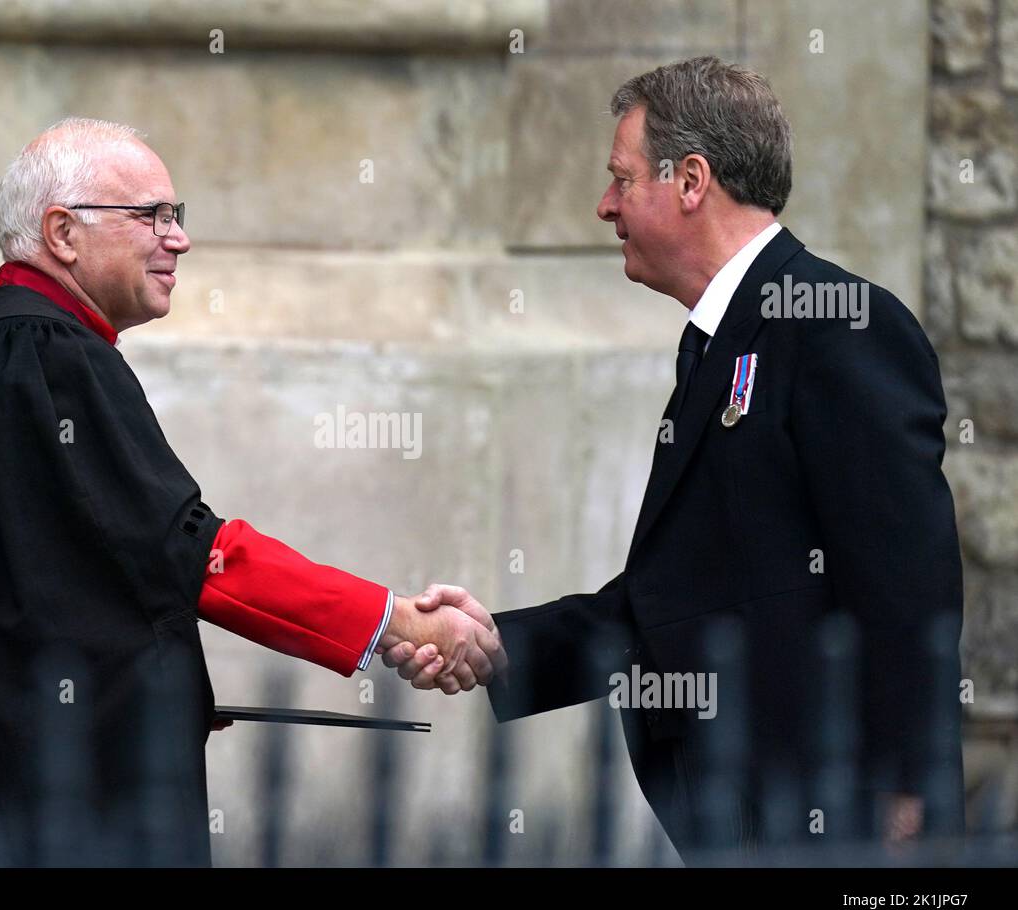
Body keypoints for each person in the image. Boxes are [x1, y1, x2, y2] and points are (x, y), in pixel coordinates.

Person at [0, 118, 503, 868]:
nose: (179, 238)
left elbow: (35, 607)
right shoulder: (52, 357)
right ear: (62, 233)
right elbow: (191, 555)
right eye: (151, 215)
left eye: (178, 214)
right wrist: (395, 619)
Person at [382, 56, 965, 861]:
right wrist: (497, 643)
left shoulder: (840, 325)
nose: (604, 205)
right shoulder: (718, 346)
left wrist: (908, 808)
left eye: (622, 179)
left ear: (691, 180)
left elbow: (908, 584)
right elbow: (679, 594)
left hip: (834, 824)